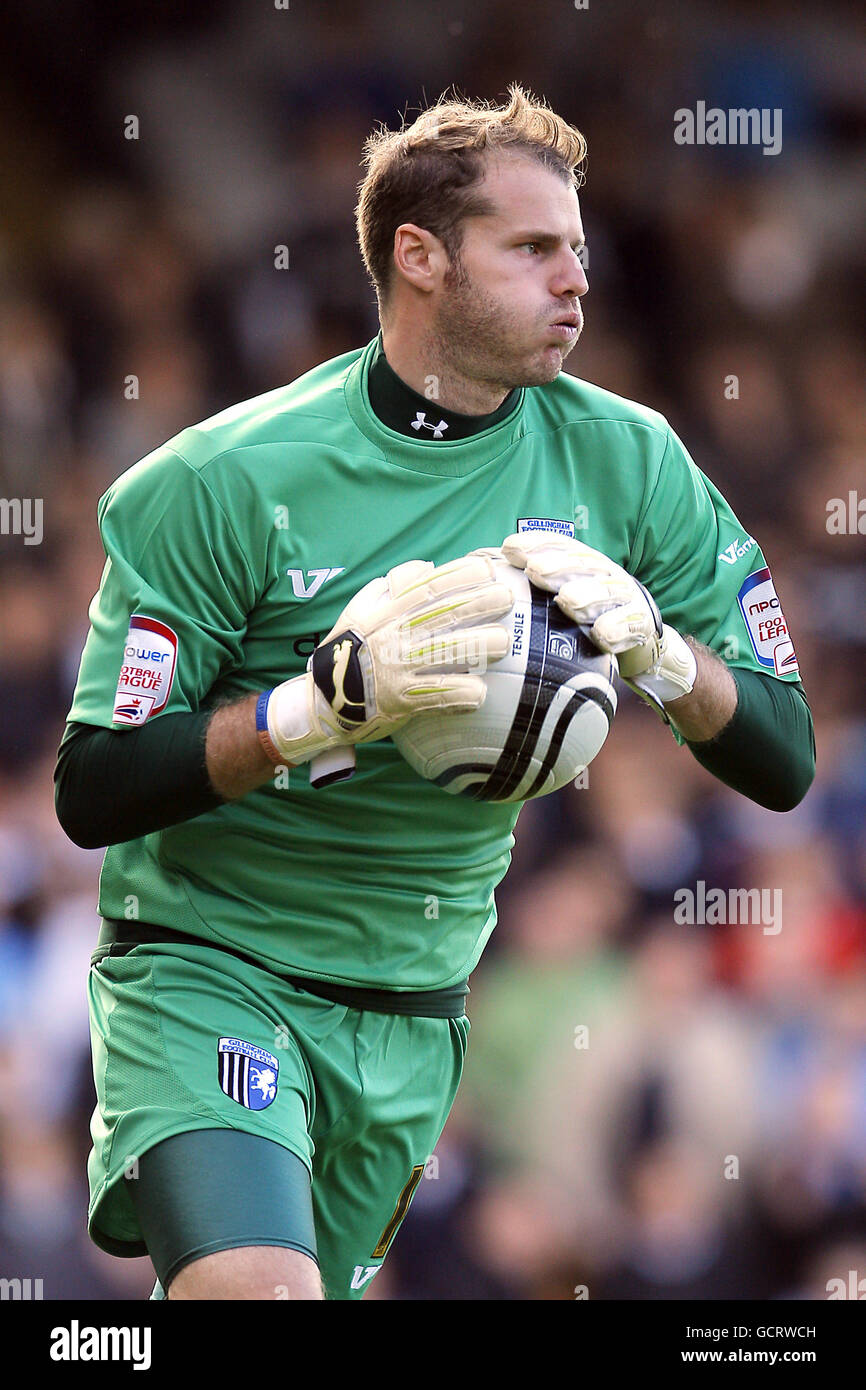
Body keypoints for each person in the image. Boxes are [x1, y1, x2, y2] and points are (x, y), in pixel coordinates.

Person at [54, 85, 815, 1301]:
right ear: (419, 257)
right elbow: (93, 788)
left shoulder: (630, 460)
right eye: (532, 248)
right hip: (209, 969)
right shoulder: (222, 478)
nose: (576, 280)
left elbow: (783, 756)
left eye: (577, 249)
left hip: (411, 1009)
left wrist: (666, 660)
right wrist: (305, 714)